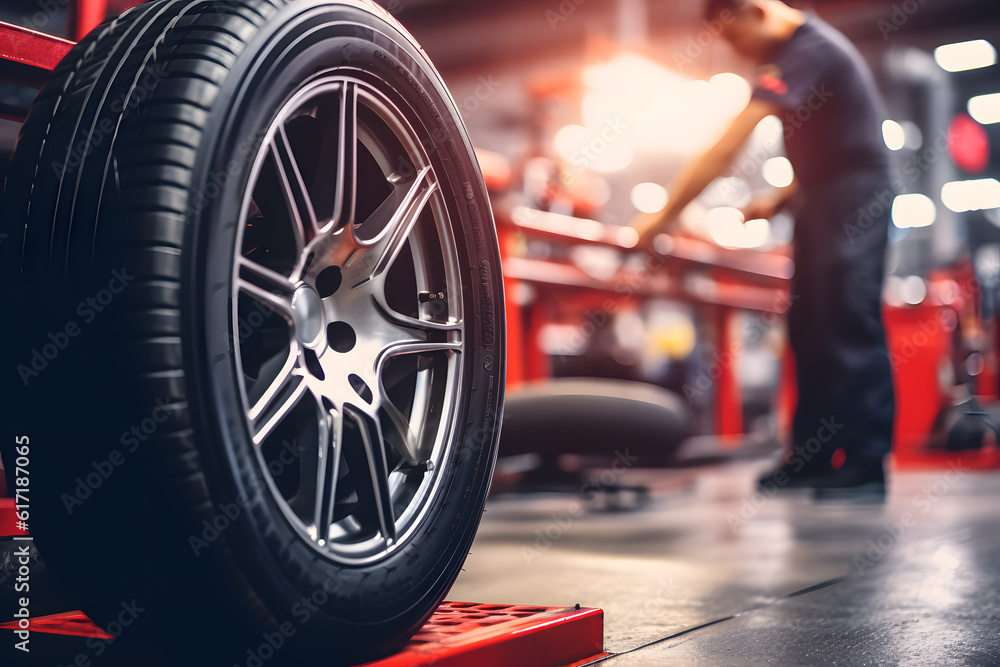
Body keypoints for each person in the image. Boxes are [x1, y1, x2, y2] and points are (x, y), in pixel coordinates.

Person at [634, 0, 895, 496]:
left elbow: (731, 142)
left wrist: (663, 214)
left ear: (754, 11)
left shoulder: (808, 48)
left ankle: (865, 460)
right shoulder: (799, 55)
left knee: (847, 315)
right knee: (810, 324)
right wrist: (778, 200)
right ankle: (814, 455)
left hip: (857, 193)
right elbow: (833, 143)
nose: (736, 52)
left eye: (733, 38)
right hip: (818, 194)